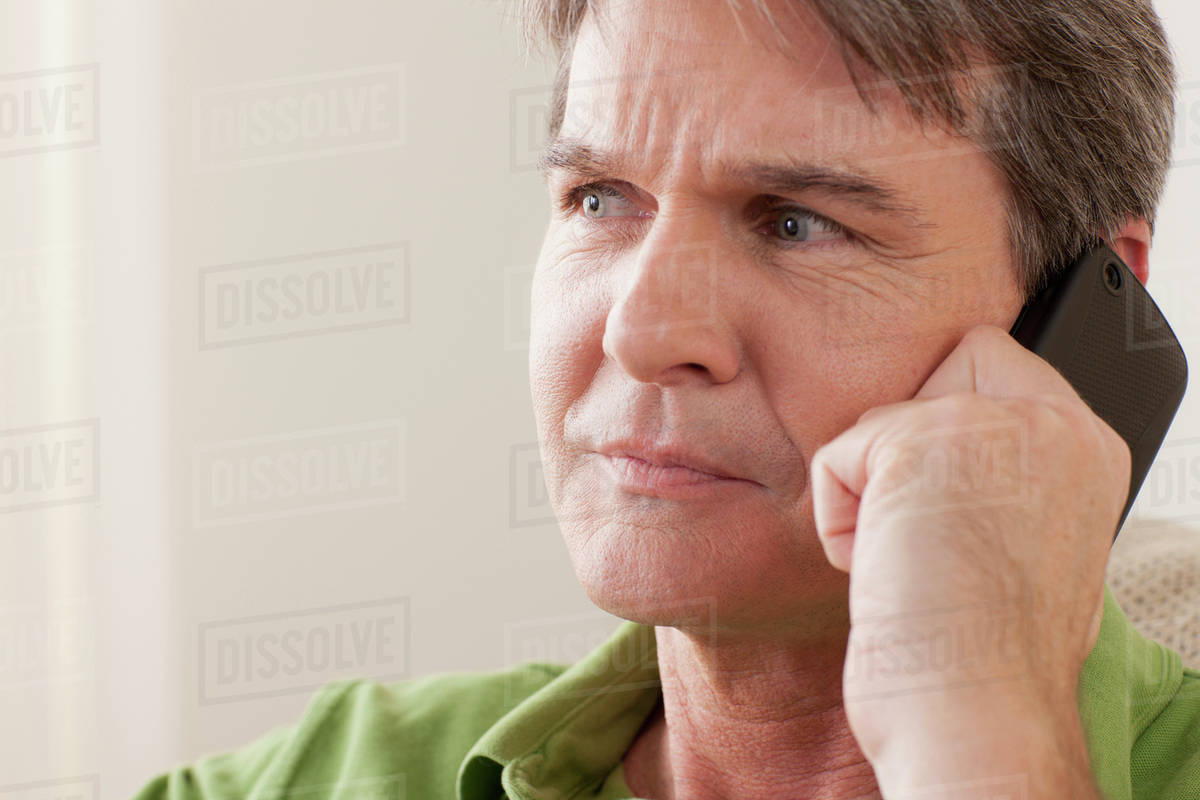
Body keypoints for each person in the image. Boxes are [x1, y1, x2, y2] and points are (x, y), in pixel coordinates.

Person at [134, 1, 1200, 798]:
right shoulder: (337, 772)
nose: (641, 332)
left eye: (795, 221)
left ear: (1079, 307)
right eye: (600, 199)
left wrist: (985, 736)